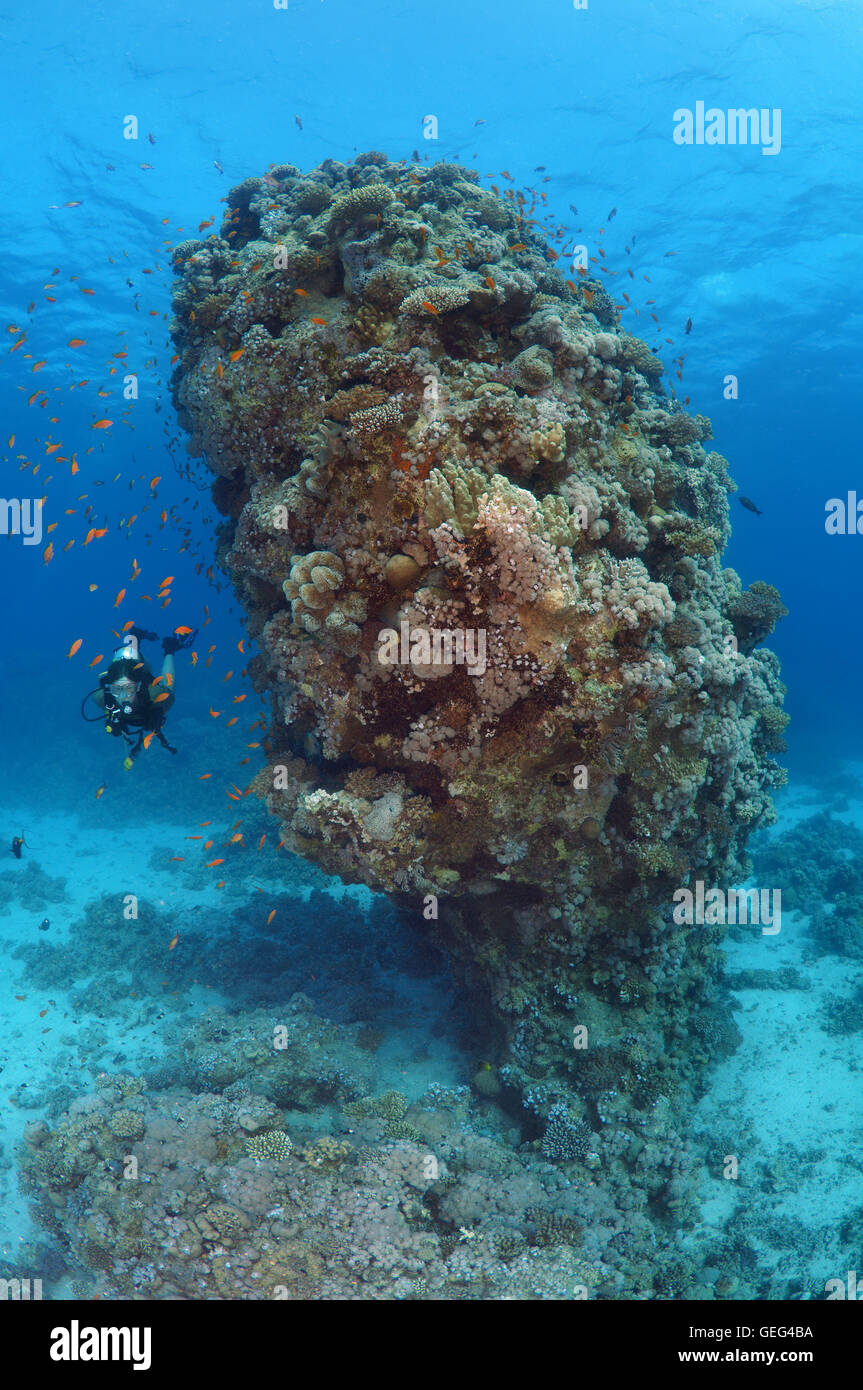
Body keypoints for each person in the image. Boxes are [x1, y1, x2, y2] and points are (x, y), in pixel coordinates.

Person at [82, 626, 195, 769]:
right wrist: (109, 715)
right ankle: (134, 639)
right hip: (121, 670)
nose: (123, 697)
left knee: (164, 684)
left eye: (129, 689)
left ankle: (169, 648)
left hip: (140, 672)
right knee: (129, 658)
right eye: (117, 690)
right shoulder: (101, 698)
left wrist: (156, 712)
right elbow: (100, 697)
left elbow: (168, 695)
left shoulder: (155, 695)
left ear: (138, 687)